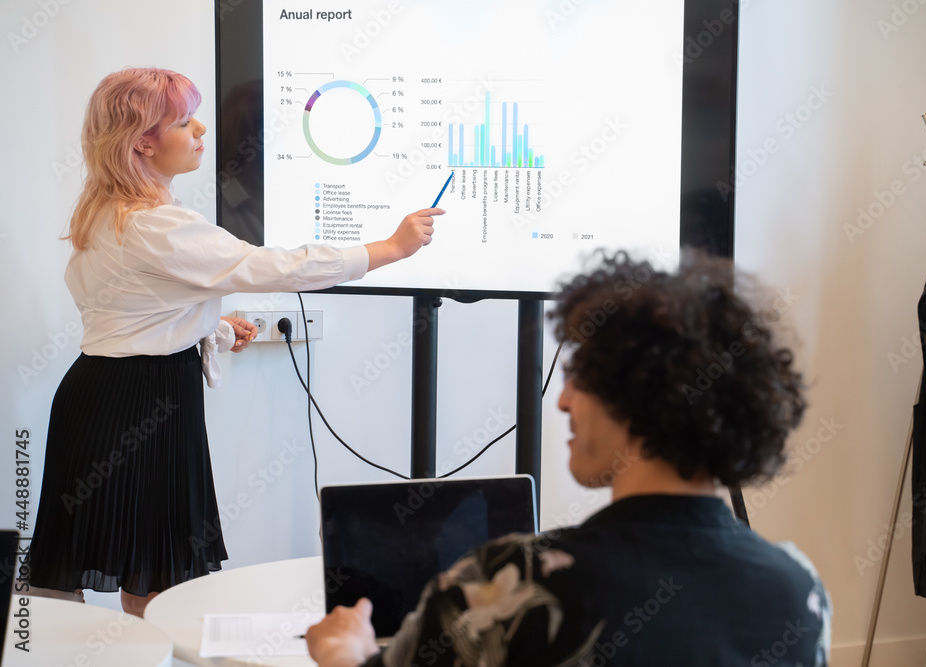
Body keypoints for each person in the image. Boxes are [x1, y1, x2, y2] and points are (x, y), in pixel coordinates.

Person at [26, 67, 444, 617]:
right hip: (140, 405)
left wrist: (213, 328)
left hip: (103, 395)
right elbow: (271, 267)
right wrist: (387, 248)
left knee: (97, 574)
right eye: (183, 122)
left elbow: (131, 312)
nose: (201, 129)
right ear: (142, 142)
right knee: (156, 582)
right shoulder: (156, 226)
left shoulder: (106, 212)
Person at [305, 251, 831, 667]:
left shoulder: (513, 583)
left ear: (635, 397)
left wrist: (345, 653)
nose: (562, 401)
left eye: (579, 377)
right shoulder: (798, 589)